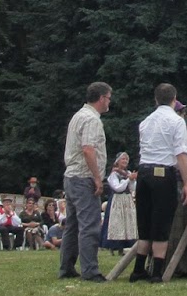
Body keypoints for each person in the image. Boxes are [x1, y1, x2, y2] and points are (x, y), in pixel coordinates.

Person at [131, 83, 187, 283]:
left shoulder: (145, 122)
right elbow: (181, 153)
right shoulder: (176, 121)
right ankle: (157, 272)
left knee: (145, 223)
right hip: (163, 172)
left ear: (156, 100)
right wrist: (186, 183)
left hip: (144, 173)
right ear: (174, 100)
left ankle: (138, 269)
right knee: (162, 223)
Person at [59, 82, 113, 283]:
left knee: (72, 226)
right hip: (84, 177)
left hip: (71, 177)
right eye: (108, 98)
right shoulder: (92, 120)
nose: (109, 102)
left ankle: (66, 267)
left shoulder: (78, 116)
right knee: (89, 226)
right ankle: (90, 270)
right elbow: (88, 149)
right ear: (101, 98)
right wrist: (97, 178)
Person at [100, 155, 137, 252]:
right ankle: (115, 245)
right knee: (117, 221)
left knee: (127, 221)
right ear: (118, 161)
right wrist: (129, 179)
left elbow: (132, 188)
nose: (125, 161)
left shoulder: (128, 173)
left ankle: (128, 243)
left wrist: (132, 180)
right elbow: (117, 187)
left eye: (126, 159)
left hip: (127, 199)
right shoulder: (114, 174)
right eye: (123, 159)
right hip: (117, 200)